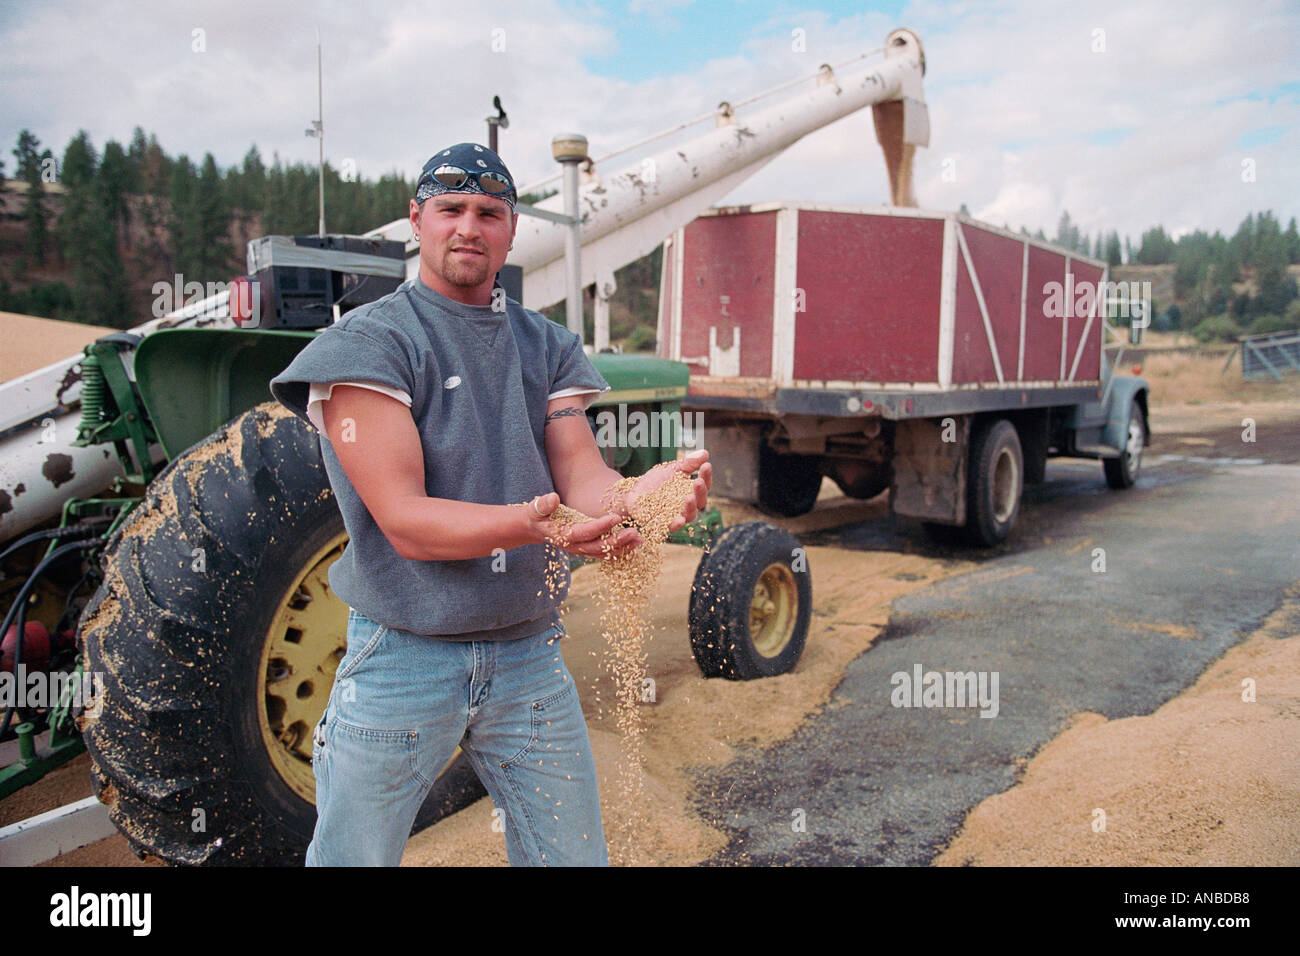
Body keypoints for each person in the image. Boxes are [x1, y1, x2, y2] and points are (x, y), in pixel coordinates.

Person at [269, 142, 711, 866]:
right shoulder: (372, 343)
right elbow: (407, 522)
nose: (468, 227)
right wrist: (535, 527)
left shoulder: (547, 345)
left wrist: (639, 499)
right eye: (450, 210)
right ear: (418, 220)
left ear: (510, 231)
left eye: (488, 213)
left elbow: (582, 477)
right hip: (402, 656)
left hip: (529, 655)